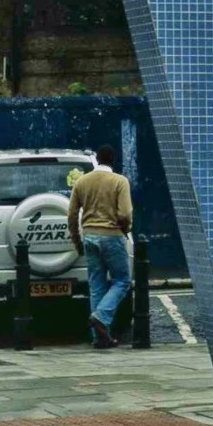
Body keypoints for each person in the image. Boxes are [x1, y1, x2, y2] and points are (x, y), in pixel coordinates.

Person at [68, 144, 132, 349]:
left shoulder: (82, 182)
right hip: (112, 236)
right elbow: (125, 213)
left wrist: (77, 242)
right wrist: (125, 229)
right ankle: (101, 317)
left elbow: (71, 215)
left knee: (96, 286)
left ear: (97, 158)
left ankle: (99, 338)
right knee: (122, 281)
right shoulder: (120, 181)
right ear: (113, 160)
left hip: (89, 237)